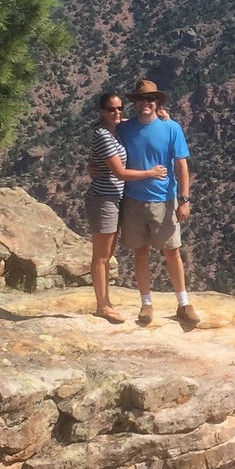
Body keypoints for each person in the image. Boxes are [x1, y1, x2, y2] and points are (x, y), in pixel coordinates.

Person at [116, 78, 198, 326]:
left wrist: (184, 199)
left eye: (151, 99)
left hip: (164, 199)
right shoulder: (125, 128)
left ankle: (183, 303)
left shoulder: (171, 127)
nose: (146, 103)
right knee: (140, 253)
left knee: (172, 251)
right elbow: (105, 129)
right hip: (133, 200)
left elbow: (181, 165)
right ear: (135, 102)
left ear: (158, 101)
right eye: (141, 99)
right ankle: (146, 304)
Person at [86, 91, 167, 323]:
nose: (117, 112)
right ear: (102, 111)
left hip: (116, 198)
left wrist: (160, 114)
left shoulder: (117, 130)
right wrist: (151, 173)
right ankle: (103, 306)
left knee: (108, 253)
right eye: (111, 109)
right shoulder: (103, 134)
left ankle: (105, 301)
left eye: (120, 108)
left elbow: (141, 122)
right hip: (103, 200)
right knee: (101, 256)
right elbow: (120, 172)